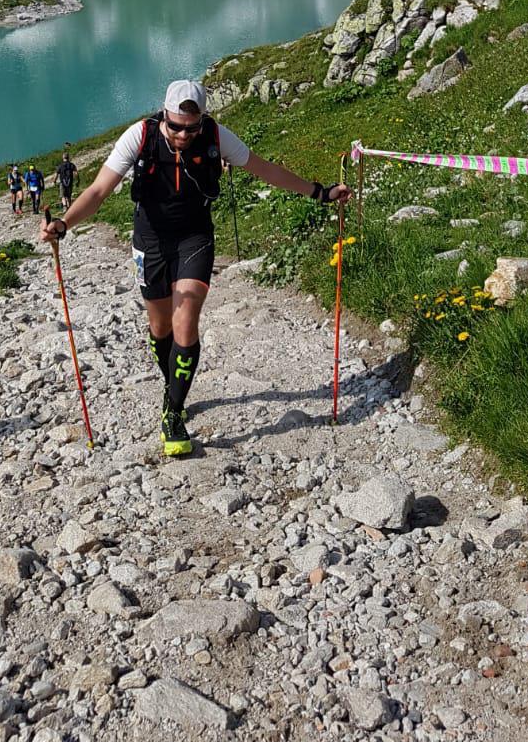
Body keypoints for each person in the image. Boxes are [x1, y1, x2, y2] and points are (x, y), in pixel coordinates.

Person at [40, 78, 349, 458]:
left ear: (201, 120)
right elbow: (98, 191)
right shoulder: (140, 136)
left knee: (185, 319)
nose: (184, 134)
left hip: (195, 237)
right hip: (150, 239)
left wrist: (320, 192)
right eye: (175, 126)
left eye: (192, 127)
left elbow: (264, 169)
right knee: (160, 327)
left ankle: (172, 410)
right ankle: (173, 385)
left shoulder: (217, 135)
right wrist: (64, 224)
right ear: (164, 116)